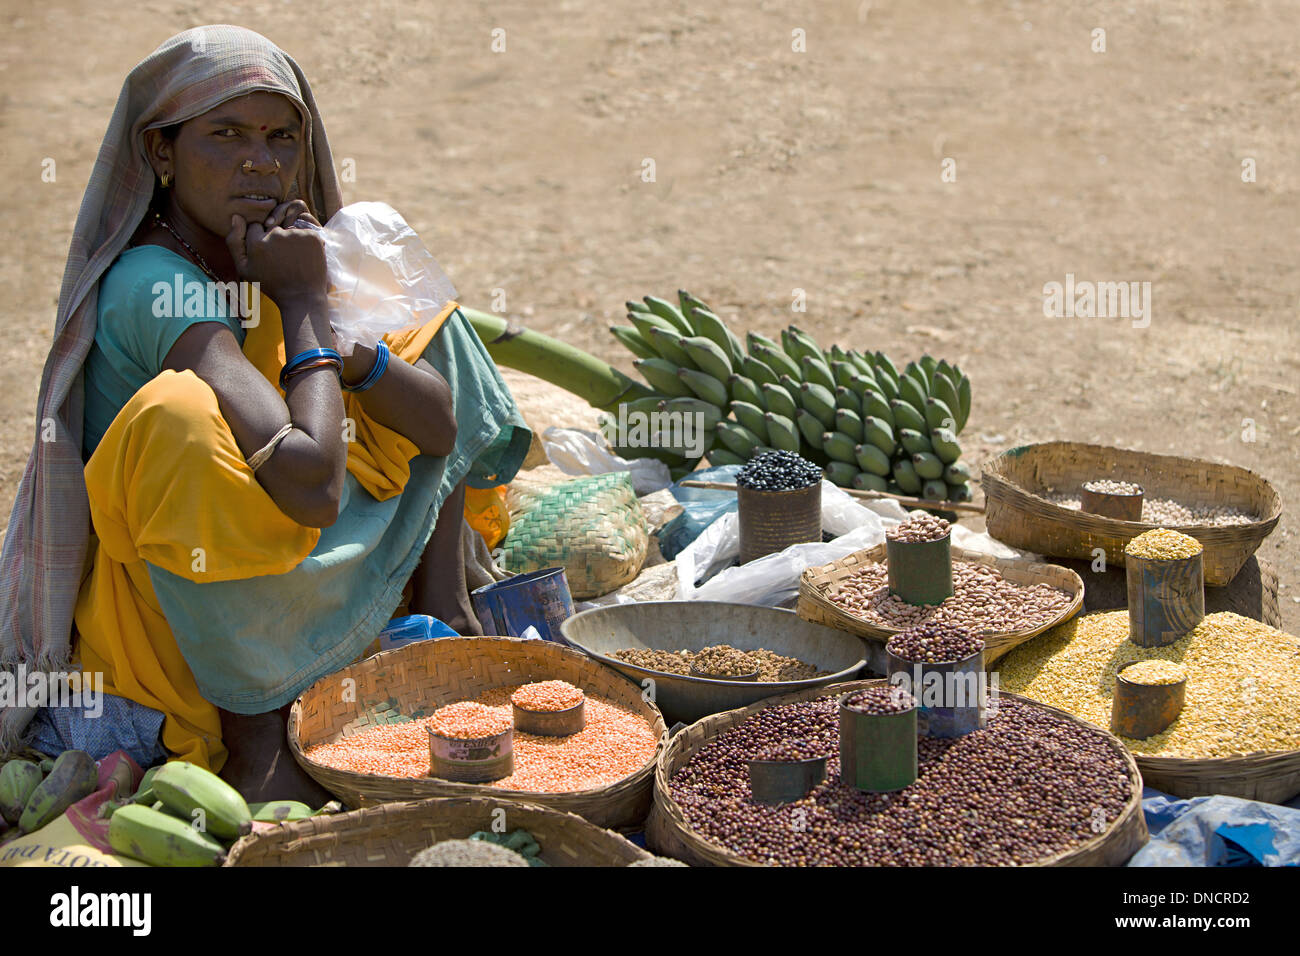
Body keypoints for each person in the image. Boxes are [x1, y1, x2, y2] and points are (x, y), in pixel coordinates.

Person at [0, 26, 530, 802]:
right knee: (177, 417)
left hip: (288, 524)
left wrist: (353, 342)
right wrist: (308, 305)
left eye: (282, 138)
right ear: (161, 154)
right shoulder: (156, 283)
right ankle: (256, 732)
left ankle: (439, 600)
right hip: (177, 608)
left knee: (408, 300)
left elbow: (440, 426)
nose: (261, 162)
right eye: (227, 135)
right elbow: (311, 485)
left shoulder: (281, 245)